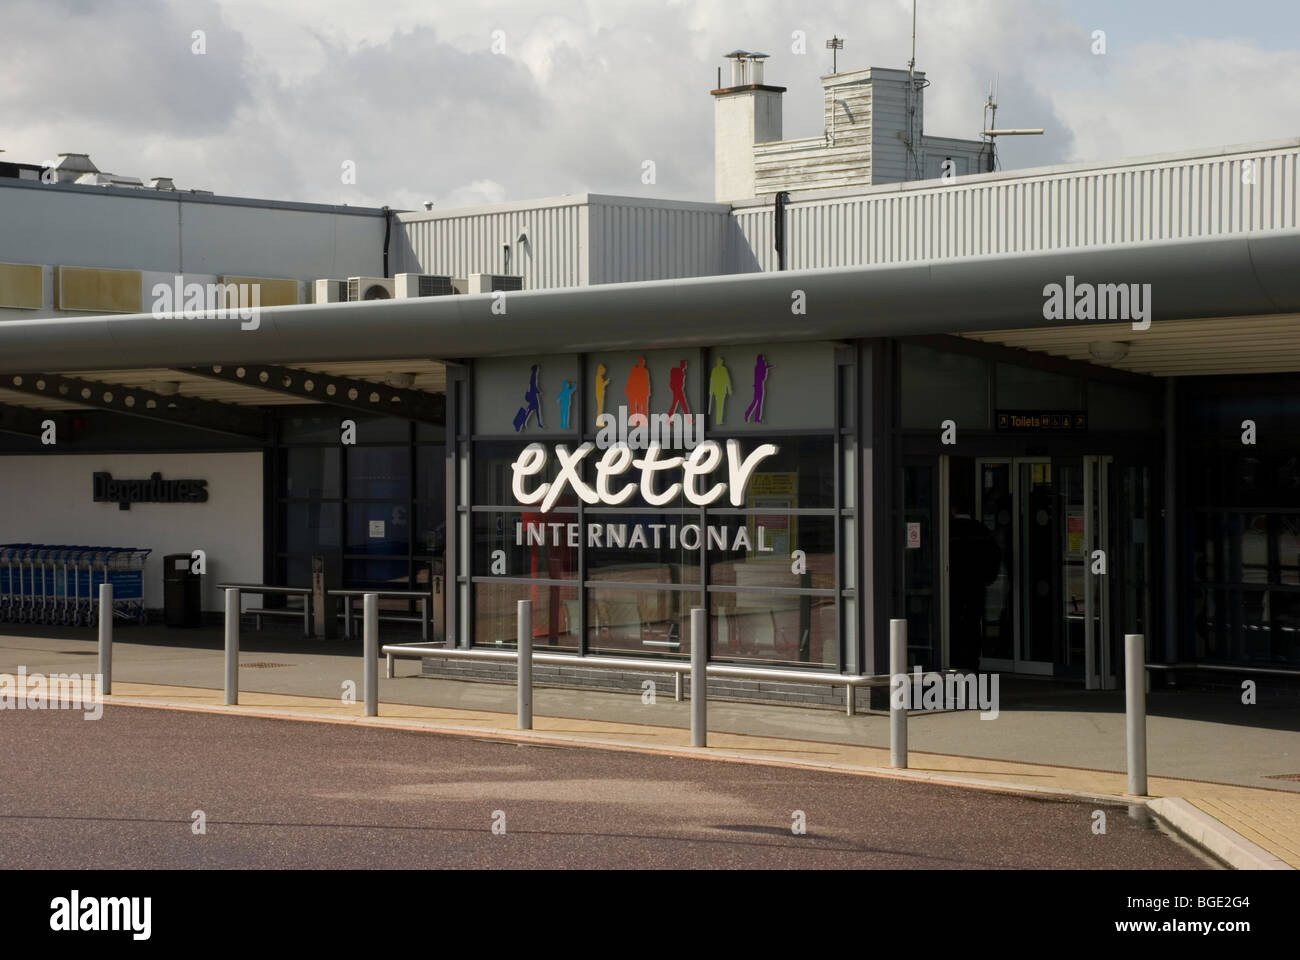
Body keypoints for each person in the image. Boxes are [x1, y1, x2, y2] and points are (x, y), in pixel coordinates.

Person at [948, 501, 1002, 671]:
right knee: (973, 622)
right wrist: (988, 577)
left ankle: (954, 659)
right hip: (975, 584)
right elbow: (995, 554)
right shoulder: (981, 529)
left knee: (953, 621)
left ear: (953, 509)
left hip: (953, 584)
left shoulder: (948, 529)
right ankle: (972, 660)